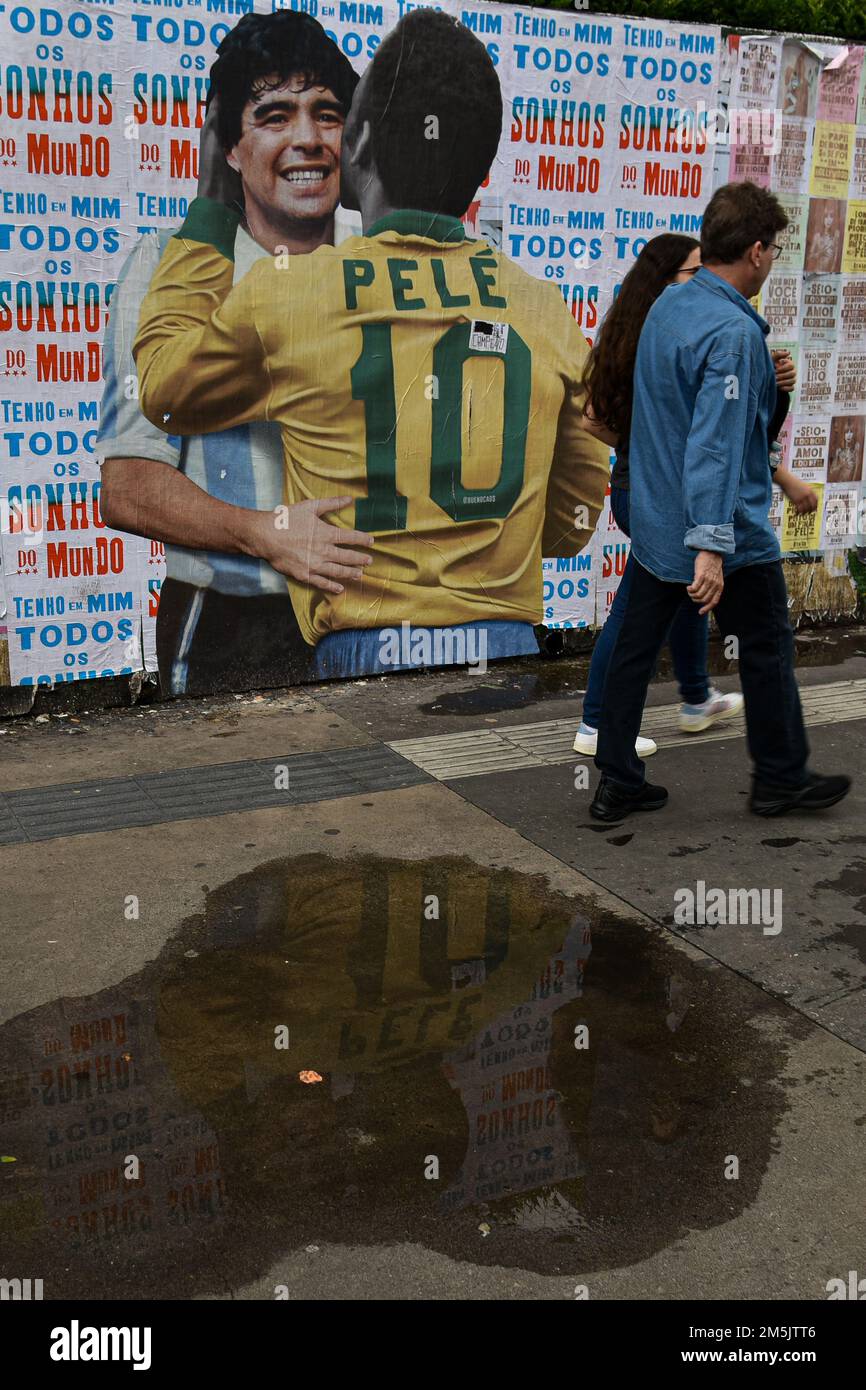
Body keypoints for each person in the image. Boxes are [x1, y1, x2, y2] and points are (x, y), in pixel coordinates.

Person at [133, 10, 611, 680]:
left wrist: (213, 202)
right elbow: (569, 526)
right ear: (482, 161)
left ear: (357, 146)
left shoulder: (290, 296)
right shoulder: (547, 311)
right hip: (505, 652)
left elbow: (161, 389)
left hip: (363, 654)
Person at [97, 12, 374, 696]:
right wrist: (266, 533)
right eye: (275, 116)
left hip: (381, 614)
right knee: (248, 801)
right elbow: (129, 487)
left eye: (328, 114)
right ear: (229, 146)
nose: (308, 139)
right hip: (237, 626)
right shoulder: (170, 266)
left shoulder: (385, 258)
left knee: (387, 801)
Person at [589, 181, 850, 821]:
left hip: (657, 521)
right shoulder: (732, 332)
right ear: (756, 251)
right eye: (777, 250)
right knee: (764, 645)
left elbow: (669, 422)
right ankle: (781, 778)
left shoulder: (668, 305)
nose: (774, 261)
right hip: (722, 528)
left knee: (633, 649)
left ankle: (618, 777)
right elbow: (711, 446)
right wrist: (709, 546)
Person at [576, 236, 818, 758]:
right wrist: (654, 452)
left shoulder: (698, 333)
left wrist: (773, 388)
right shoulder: (653, 336)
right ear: (664, 280)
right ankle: (599, 726)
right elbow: (599, 419)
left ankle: (691, 700)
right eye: (693, 271)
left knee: (684, 604)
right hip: (652, 495)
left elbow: (728, 438)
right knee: (639, 618)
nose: (704, 278)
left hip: (679, 498)